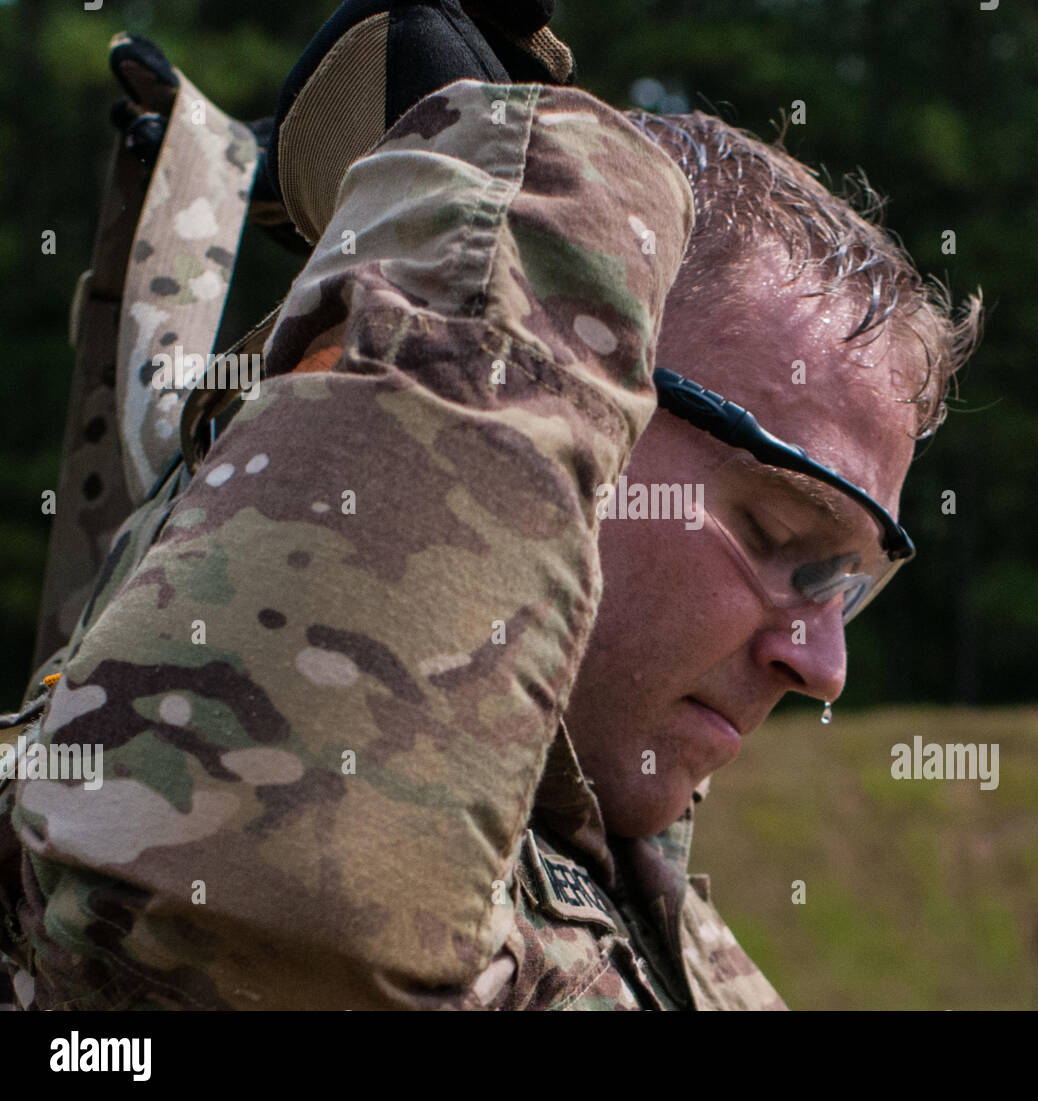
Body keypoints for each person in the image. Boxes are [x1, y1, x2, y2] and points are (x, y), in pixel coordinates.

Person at [2, 63, 979, 1008]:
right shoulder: (217, 824)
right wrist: (513, 229)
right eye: (773, 530)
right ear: (570, 406)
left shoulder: (641, 899)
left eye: (844, 580)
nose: (822, 665)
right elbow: (275, 914)